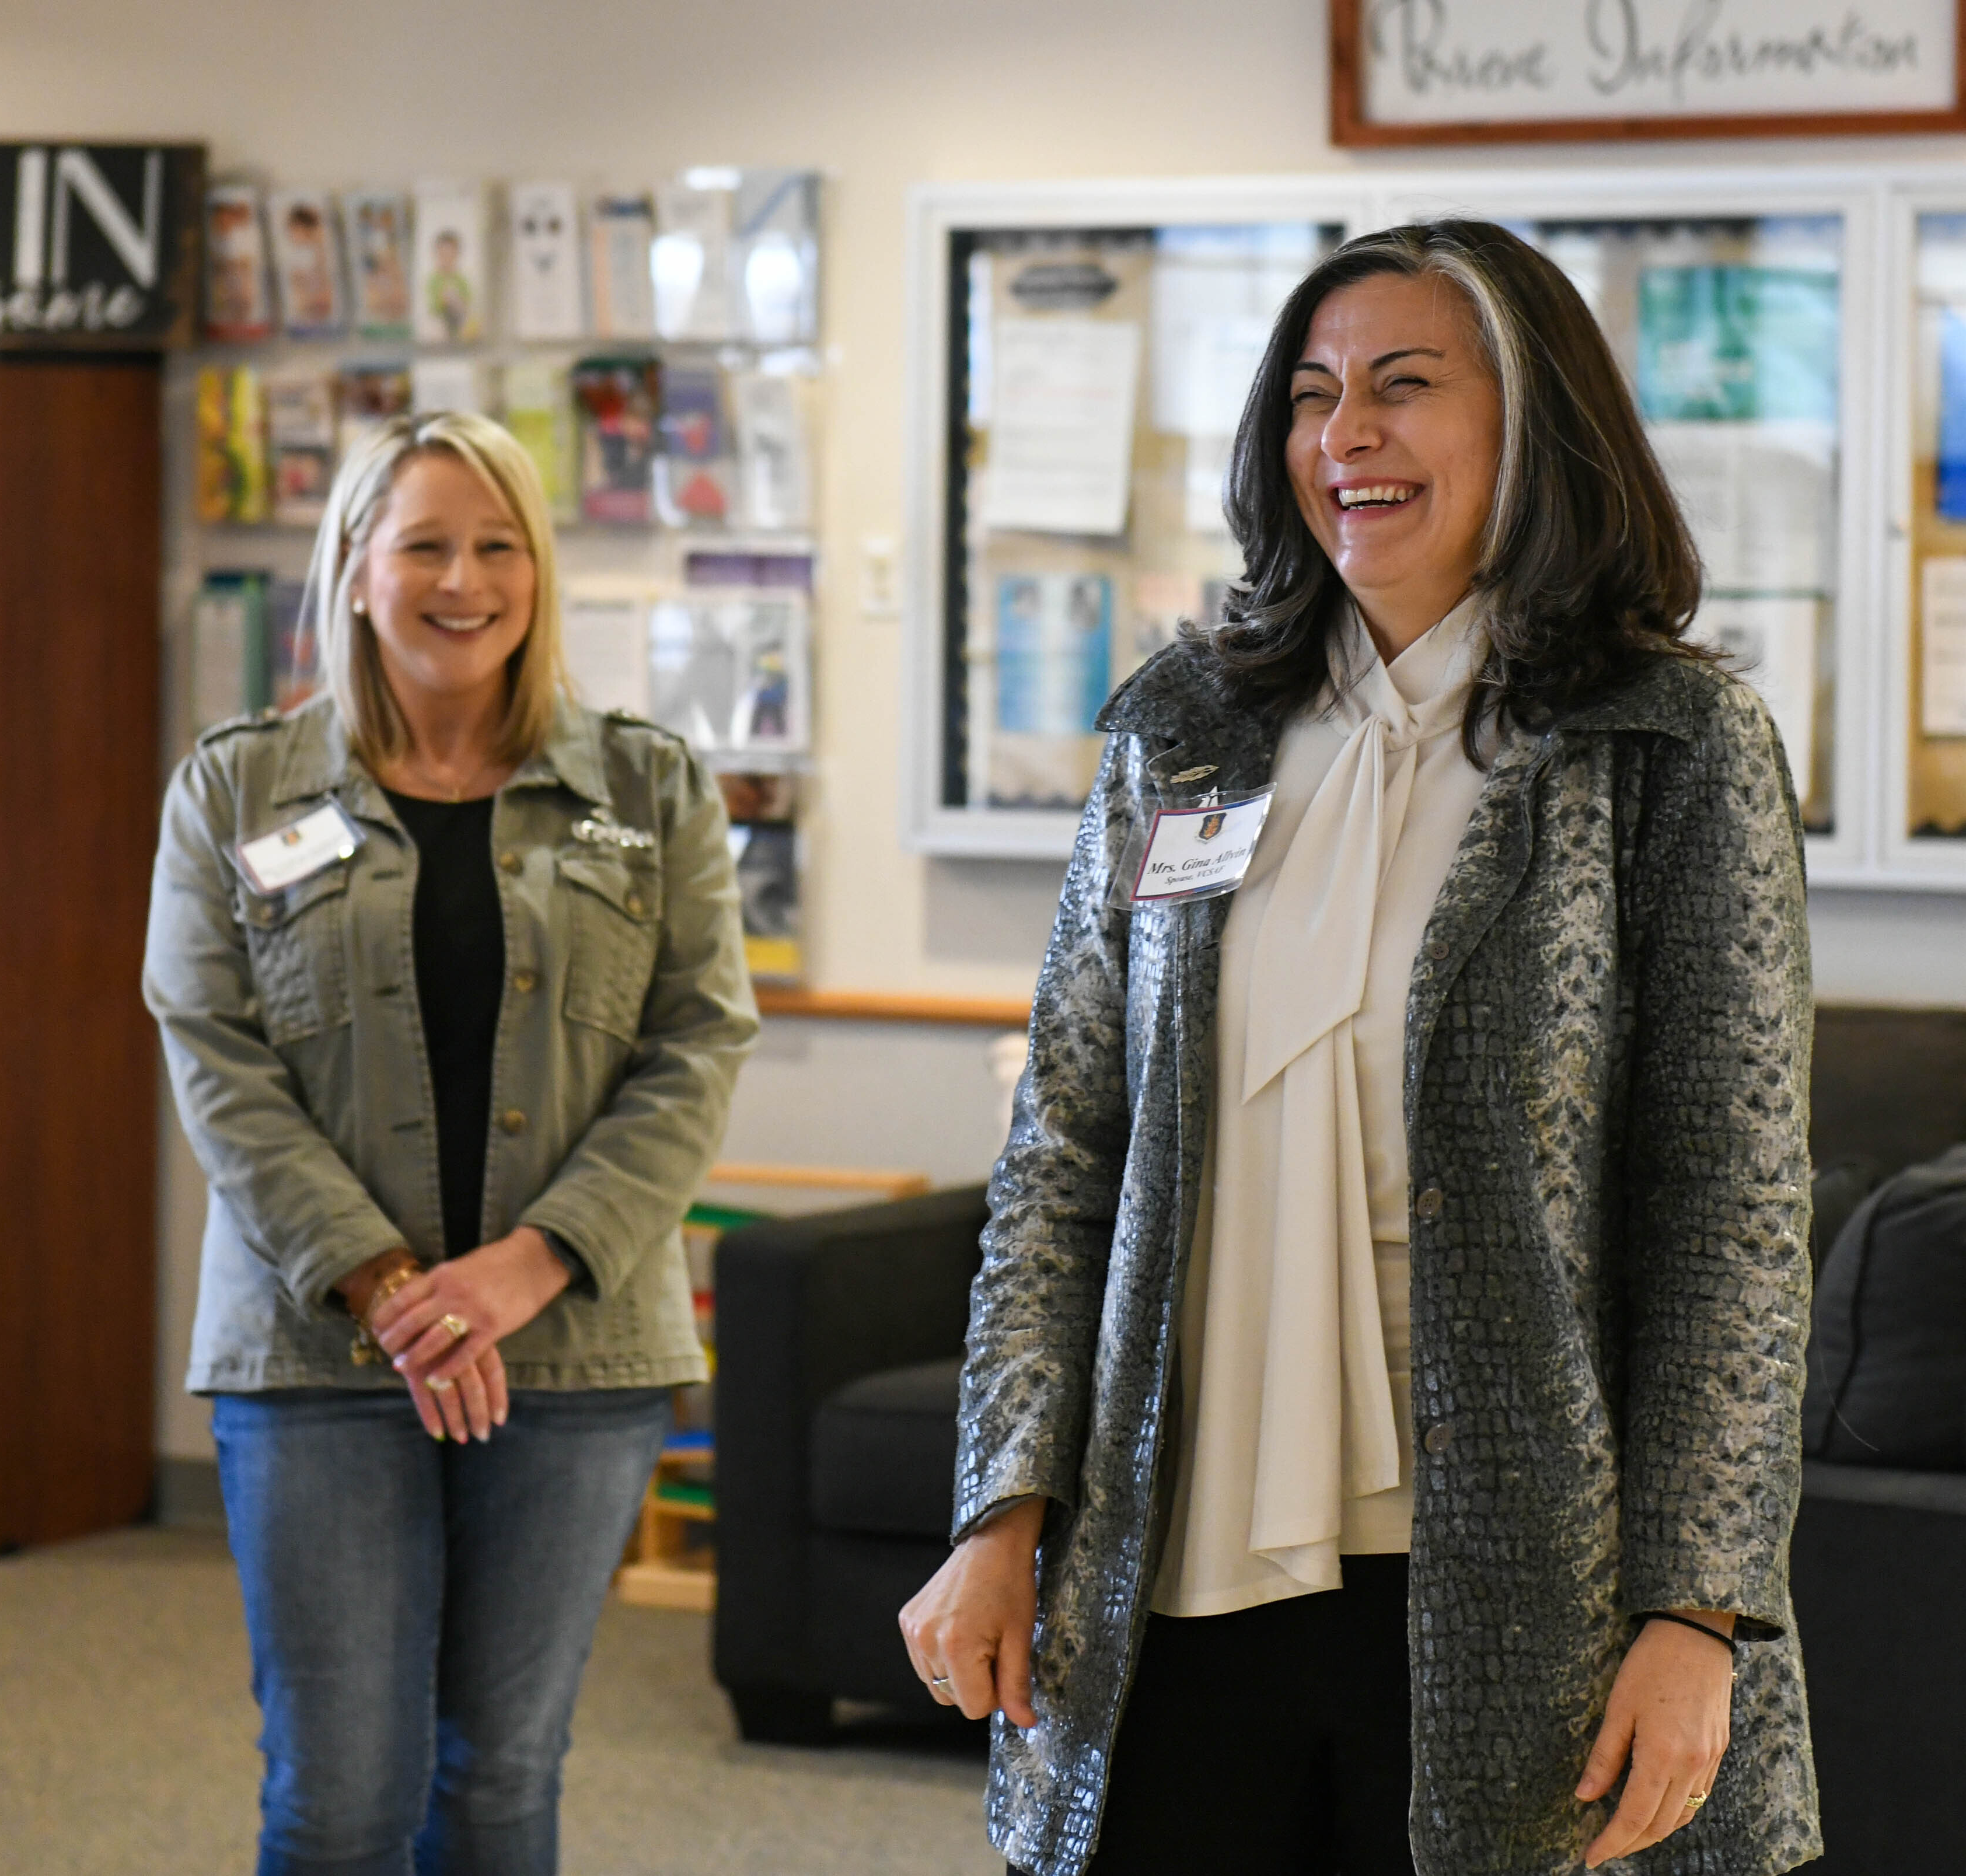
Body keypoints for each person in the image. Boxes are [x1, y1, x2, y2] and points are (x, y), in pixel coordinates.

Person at [900, 219, 1821, 1876]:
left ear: (1531, 424)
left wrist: (1701, 1609)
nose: (1345, 439)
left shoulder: (1663, 743)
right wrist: (998, 1503)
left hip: (1516, 1585)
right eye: (1311, 398)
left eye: (1402, 388)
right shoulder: (1179, 729)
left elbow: (1727, 1213)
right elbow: (1061, 1158)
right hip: (1172, 1561)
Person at [145, 410, 757, 1875]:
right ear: (354, 568)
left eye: (497, 548)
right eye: (422, 545)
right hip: (317, 1356)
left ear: (537, 573)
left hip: (571, 1355)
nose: (461, 580)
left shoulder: (647, 788)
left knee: (499, 1781)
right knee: (340, 1796)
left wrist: (524, 1270)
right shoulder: (235, 788)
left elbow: (698, 1044)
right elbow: (212, 1052)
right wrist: (387, 1285)